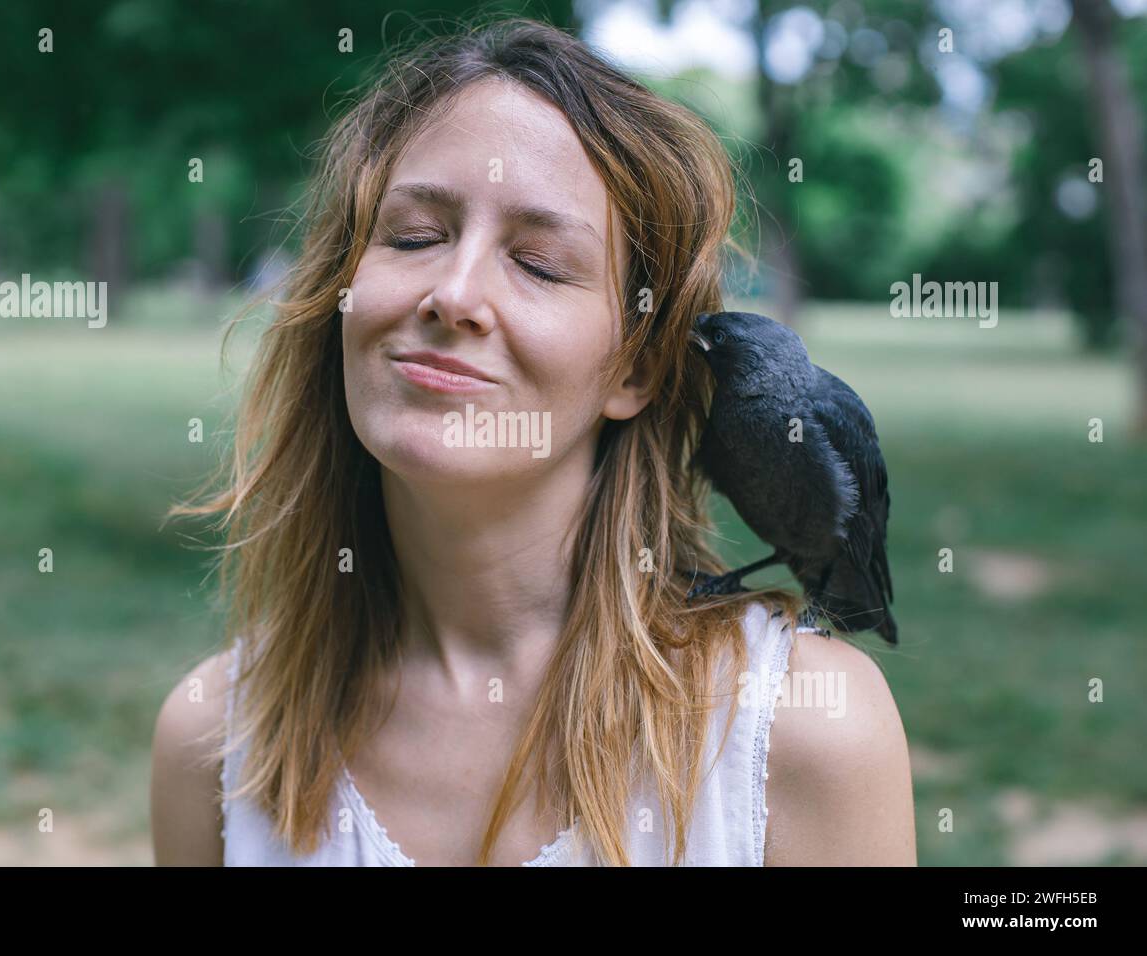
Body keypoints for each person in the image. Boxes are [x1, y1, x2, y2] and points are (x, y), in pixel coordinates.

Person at [150, 16, 915, 867]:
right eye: (414, 236)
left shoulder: (803, 736)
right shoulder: (212, 742)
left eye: (541, 263)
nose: (454, 292)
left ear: (635, 370)